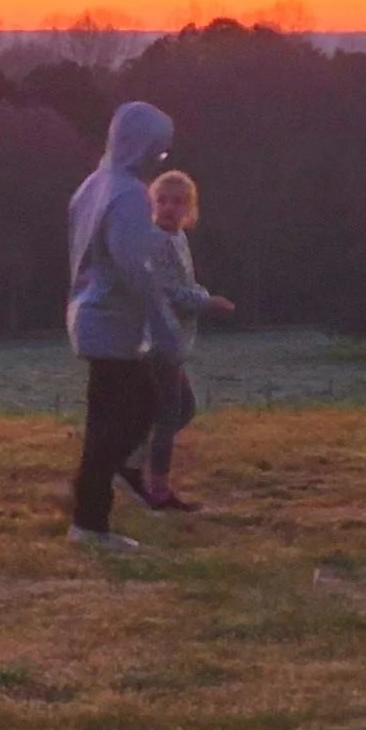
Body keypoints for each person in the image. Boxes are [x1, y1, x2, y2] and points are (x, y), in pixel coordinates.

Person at [64, 100, 182, 550]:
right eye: (160, 150)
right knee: (139, 411)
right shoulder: (129, 194)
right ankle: (92, 516)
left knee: (106, 420)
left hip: (89, 314)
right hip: (112, 319)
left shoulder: (93, 185)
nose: (161, 160)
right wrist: (163, 325)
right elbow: (136, 269)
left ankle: (91, 517)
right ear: (142, 145)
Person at [120, 168, 236, 512]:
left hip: (173, 340)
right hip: (158, 342)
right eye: (162, 200)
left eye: (178, 201)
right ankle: (156, 490)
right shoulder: (156, 242)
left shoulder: (178, 239)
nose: (169, 207)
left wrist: (202, 295)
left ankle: (127, 463)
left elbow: (186, 284)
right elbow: (167, 293)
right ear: (152, 205)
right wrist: (207, 302)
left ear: (190, 208)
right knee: (169, 414)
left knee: (180, 409)